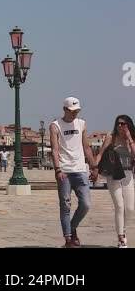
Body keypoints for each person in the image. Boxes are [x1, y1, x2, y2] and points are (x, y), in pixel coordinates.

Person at [50, 97, 98, 248]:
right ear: (64, 109)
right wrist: (57, 169)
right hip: (64, 170)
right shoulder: (55, 125)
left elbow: (86, 147)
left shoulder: (81, 124)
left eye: (77, 111)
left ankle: (72, 226)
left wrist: (93, 167)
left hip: (79, 169)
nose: (74, 114)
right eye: (72, 111)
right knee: (65, 205)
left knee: (86, 204)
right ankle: (68, 239)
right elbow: (55, 149)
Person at [94, 115, 135, 248]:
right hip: (113, 174)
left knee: (130, 208)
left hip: (128, 174)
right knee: (119, 206)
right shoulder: (110, 137)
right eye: (118, 124)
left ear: (128, 125)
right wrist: (94, 169)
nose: (120, 126)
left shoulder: (132, 139)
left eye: (123, 124)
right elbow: (100, 154)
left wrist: (129, 138)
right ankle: (121, 238)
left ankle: (123, 231)